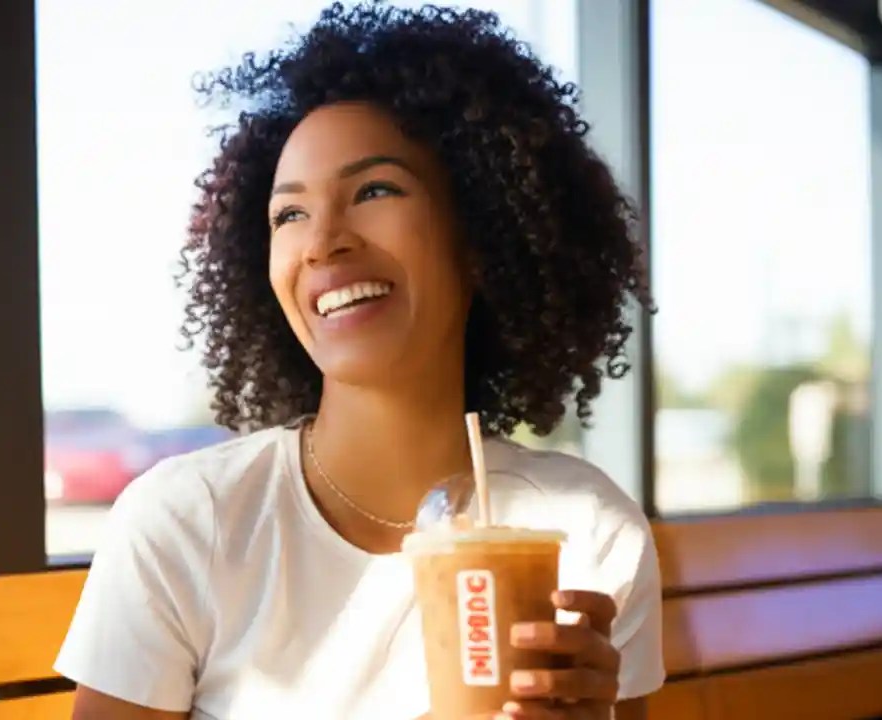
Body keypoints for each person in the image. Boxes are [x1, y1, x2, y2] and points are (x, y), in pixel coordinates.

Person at [55, 3, 663, 718]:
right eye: (290, 214)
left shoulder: (586, 530)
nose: (322, 242)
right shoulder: (191, 519)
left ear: (482, 235)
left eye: (375, 191)